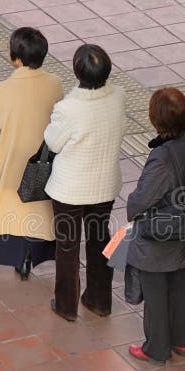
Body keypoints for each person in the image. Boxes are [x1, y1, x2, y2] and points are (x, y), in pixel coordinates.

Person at [0, 27, 63, 279]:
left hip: (9, 162)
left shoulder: (5, 89)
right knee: (32, 210)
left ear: (16, 56)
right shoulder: (55, 84)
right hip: (39, 163)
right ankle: (25, 260)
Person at [45, 44, 125, 321]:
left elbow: (53, 142)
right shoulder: (118, 96)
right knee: (98, 239)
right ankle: (99, 300)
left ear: (78, 72)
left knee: (67, 246)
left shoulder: (68, 108)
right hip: (104, 185)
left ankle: (66, 306)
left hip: (70, 190)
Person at [127, 88, 185, 365]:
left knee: (156, 289)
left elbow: (143, 198)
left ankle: (156, 348)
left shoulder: (162, 157)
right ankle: (182, 341)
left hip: (161, 233)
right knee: (180, 281)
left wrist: (131, 206)